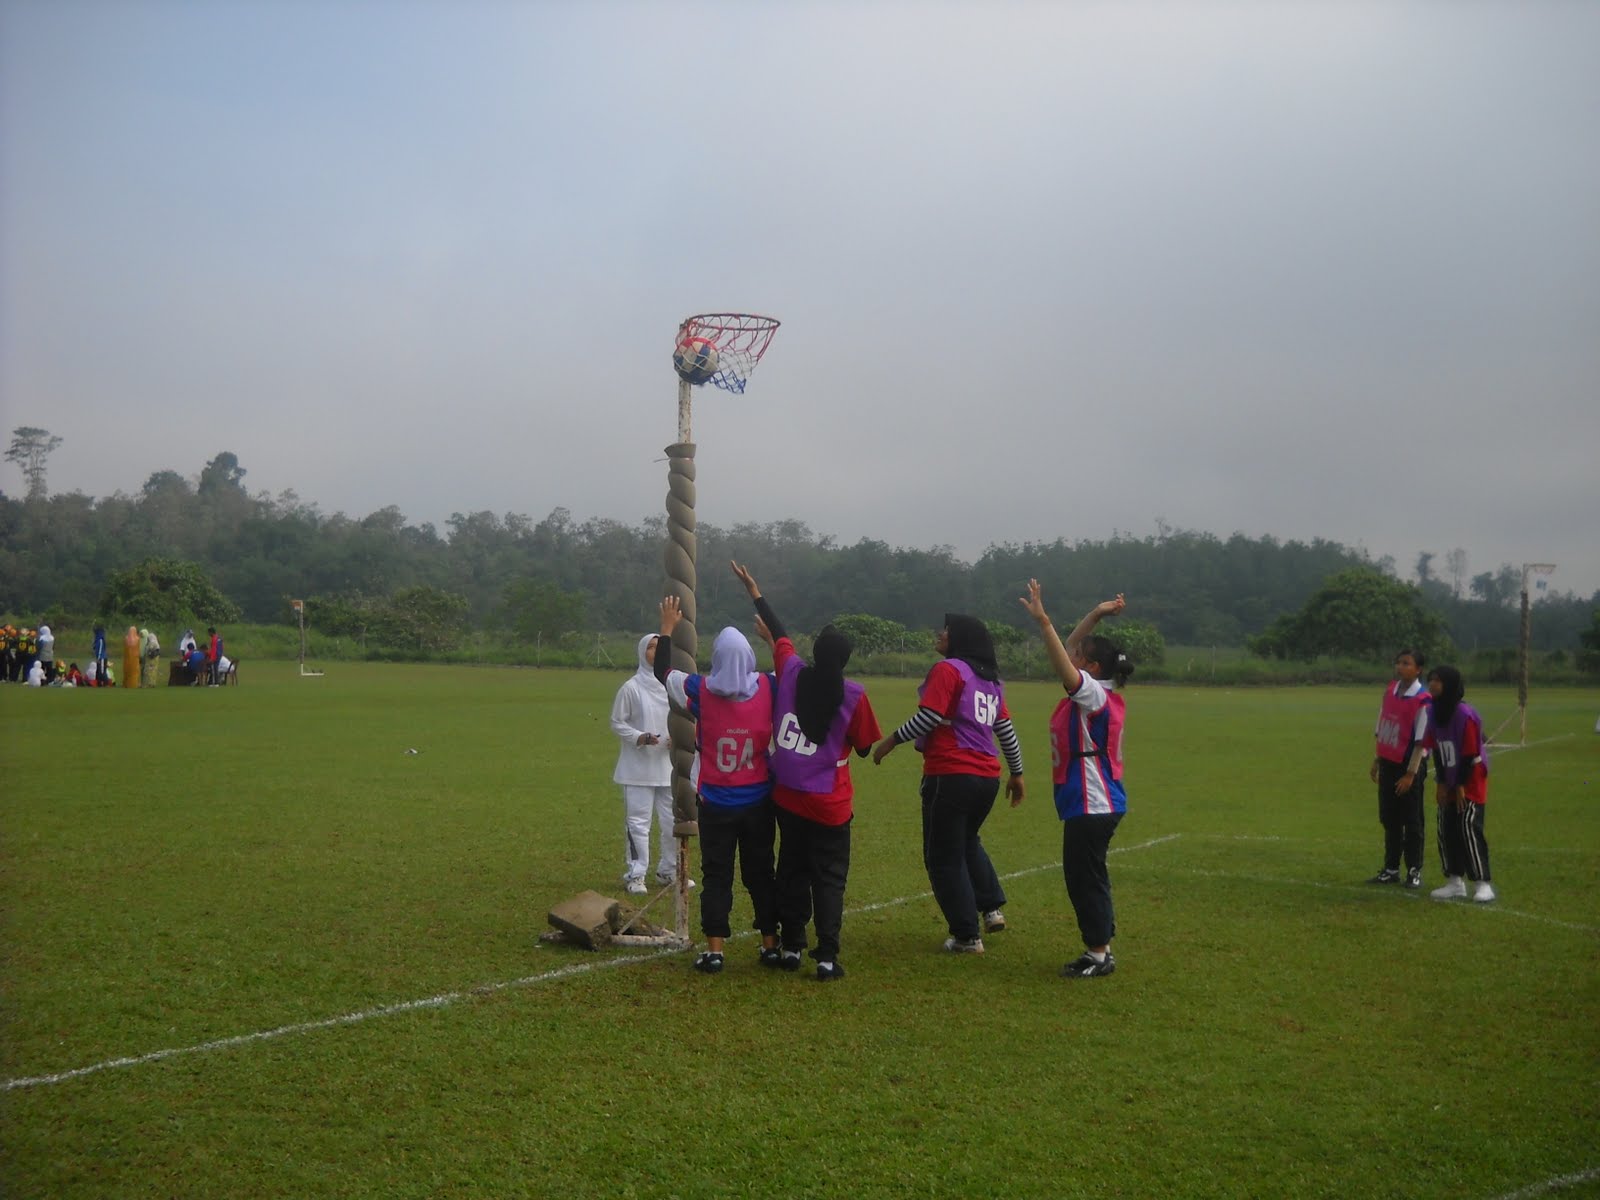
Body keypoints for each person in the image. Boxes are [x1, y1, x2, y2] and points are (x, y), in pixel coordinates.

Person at [733, 562, 882, 983]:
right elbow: (868, 746)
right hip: (831, 804)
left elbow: (780, 635)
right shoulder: (853, 695)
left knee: (792, 870)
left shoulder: (793, 672)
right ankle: (827, 957)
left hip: (787, 797)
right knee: (829, 879)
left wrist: (755, 590)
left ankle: (793, 946)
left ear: (814, 653)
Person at [873, 612, 1024, 954]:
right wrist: (1016, 773)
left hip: (952, 774)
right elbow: (1006, 732)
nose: (940, 634)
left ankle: (966, 936)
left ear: (960, 640)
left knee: (943, 857)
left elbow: (928, 717)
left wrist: (891, 741)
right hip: (987, 777)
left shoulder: (949, 670)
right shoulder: (992, 681)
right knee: (967, 841)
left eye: (947, 630)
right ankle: (991, 908)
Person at [654, 595, 779, 975]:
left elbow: (663, 672)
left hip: (716, 802)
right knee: (761, 873)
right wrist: (774, 640)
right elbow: (791, 670)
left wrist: (667, 628)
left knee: (717, 875)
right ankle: (770, 944)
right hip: (758, 800)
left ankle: (715, 950)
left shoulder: (702, 691)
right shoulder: (768, 688)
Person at [1021, 581, 1135, 978]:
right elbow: (1070, 646)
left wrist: (1043, 622)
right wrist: (1097, 614)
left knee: (1084, 878)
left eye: (1080, 657)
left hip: (1093, 802)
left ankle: (1099, 953)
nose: (1073, 656)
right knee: (1089, 875)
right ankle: (1100, 944)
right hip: (1092, 801)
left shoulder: (1091, 695)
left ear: (1094, 667)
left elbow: (1060, 654)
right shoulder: (1097, 691)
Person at [610, 633, 680, 896]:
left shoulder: (671, 685)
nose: (654, 652)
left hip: (667, 767)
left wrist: (678, 737)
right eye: (650, 647)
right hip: (637, 769)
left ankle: (669, 870)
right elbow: (618, 722)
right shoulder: (631, 688)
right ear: (642, 652)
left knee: (672, 821)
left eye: (659, 648)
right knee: (638, 823)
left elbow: (684, 715)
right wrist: (640, 737)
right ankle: (636, 874)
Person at [1426, 666, 1495, 903]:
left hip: (1470, 778)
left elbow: (1469, 754)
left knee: (1467, 825)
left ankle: (1482, 883)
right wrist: (1442, 783)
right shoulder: (1433, 711)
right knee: (1445, 826)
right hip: (1450, 777)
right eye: (1431, 680)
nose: (1432, 684)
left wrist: (1460, 785)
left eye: (1438, 680)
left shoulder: (1465, 714)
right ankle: (1454, 882)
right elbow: (1436, 748)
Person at [1368, 648, 1431, 888]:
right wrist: (1378, 759)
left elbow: (1421, 741)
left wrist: (1411, 774)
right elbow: (1382, 724)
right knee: (1389, 817)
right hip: (1389, 763)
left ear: (1418, 670)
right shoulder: (1390, 691)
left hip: (1408, 766)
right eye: (1399, 662)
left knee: (1412, 820)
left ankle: (1414, 870)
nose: (1401, 667)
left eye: (1407, 663)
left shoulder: (1422, 700)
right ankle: (1391, 868)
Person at [122, 626, 141, 690]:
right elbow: (138, 649)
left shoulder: (126, 638)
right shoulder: (138, 639)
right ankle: (133, 684)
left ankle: (126, 684)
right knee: (134, 672)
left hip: (127, 659)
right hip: (135, 659)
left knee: (127, 671)